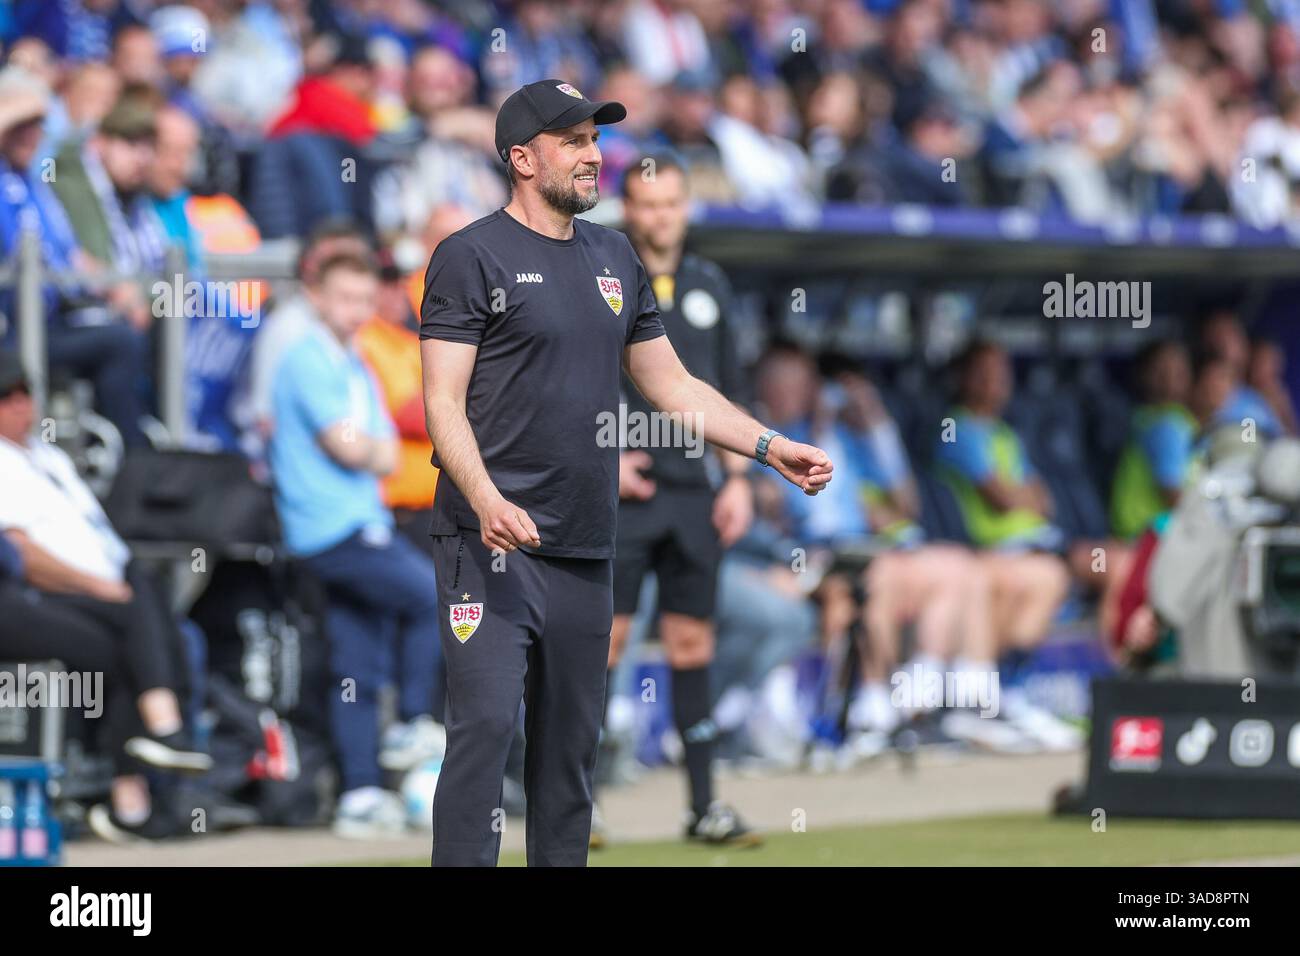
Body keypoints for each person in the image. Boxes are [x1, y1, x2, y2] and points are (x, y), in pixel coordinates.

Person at [420, 79, 832, 867]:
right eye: (572, 141)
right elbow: (442, 401)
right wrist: (485, 498)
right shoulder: (469, 255)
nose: (593, 154)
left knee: (569, 758)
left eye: (595, 138)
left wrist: (766, 445)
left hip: (585, 545)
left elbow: (672, 385)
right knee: (482, 735)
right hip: (489, 545)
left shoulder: (614, 256)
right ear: (521, 157)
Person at [598, 154, 758, 848]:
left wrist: (740, 480)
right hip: (626, 492)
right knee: (603, 645)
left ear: (686, 208)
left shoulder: (708, 284)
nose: (658, 217)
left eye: (669, 204)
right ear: (626, 208)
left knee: (694, 645)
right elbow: (572, 377)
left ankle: (704, 805)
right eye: (645, 204)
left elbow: (720, 389)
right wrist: (603, 456)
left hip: (694, 492)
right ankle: (583, 806)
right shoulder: (599, 273)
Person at [0, 350, 210, 842]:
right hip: (36, 597)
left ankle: (136, 797)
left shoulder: (46, 455)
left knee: (154, 610)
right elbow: (21, 557)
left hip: (99, 584)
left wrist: (112, 580)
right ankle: (160, 742)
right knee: (130, 626)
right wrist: (100, 586)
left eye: (23, 393)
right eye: (4, 397)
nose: (18, 406)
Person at [268, 253, 444, 838]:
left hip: (358, 522)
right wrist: (375, 450)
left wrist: (374, 448)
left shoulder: (354, 360)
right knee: (431, 596)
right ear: (316, 295)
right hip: (332, 530)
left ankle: (361, 793)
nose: (356, 311)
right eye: (344, 298)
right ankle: (416, 720)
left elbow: (378, 445)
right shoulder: (308, 360)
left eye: (364, 300)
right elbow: (352, 447)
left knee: (356, 667)